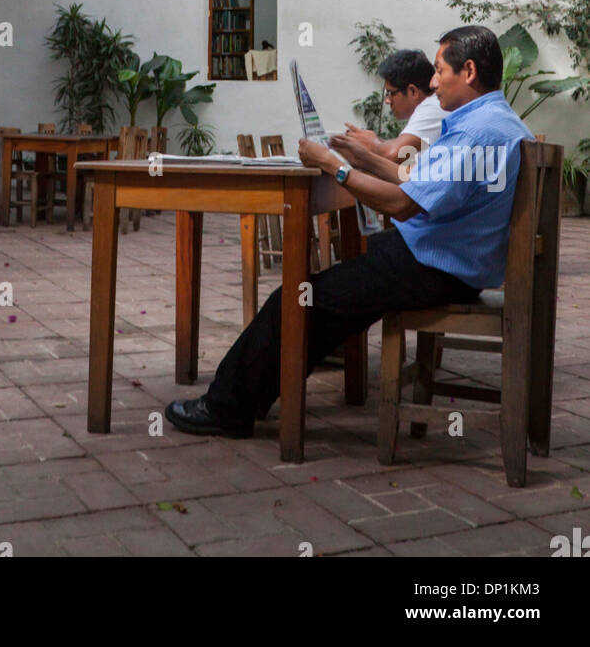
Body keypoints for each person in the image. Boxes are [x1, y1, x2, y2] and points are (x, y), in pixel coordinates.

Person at [165, 25, 532, 439]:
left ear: (467, 71)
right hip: (452, 263)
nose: (432, 82)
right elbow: (415, 179)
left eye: (439, 70)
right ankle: (262, 385)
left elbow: (401, 202)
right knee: (329, 292)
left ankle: (226, 408)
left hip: (435, 267)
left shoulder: (476, 131)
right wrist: (362, 158)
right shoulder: (497, 121)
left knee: (296, 299)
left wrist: (334, 166)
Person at [340, 48, 447, 183]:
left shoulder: (431, 108)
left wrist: (372, 143)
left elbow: (393, 155)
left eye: (390, 93)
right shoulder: (430, 107)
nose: (387, 100)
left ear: (413, 91)